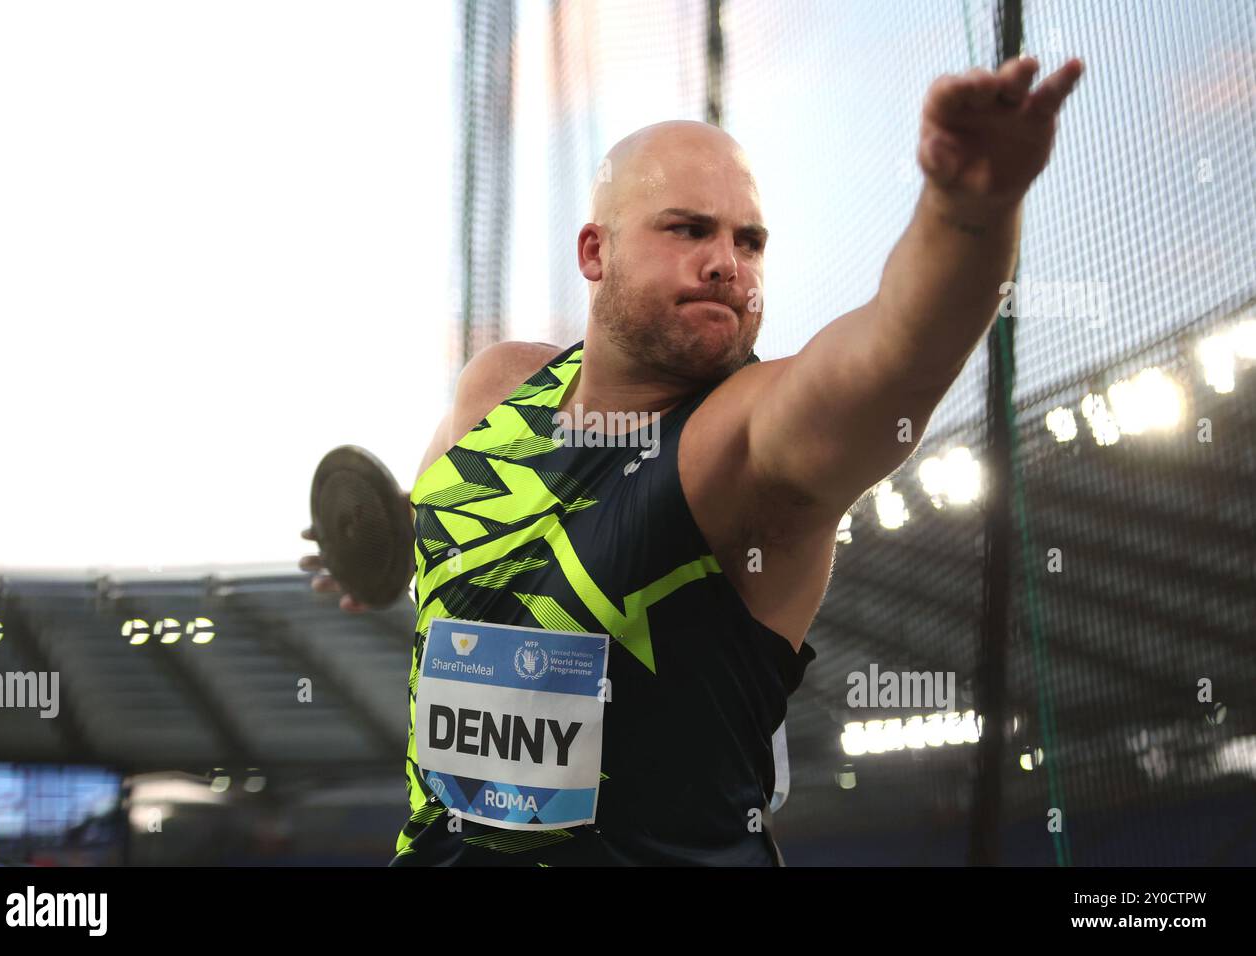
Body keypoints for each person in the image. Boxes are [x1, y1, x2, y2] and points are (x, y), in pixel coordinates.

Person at [301, 55, 1084, 865]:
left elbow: (893, 357)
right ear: (595, 252)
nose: (726, 263)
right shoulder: (496, 391)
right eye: (689, 230)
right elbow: (438, 534)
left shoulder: (740, 446)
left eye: (750, 242)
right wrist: (376, 550)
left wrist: (967, 209)